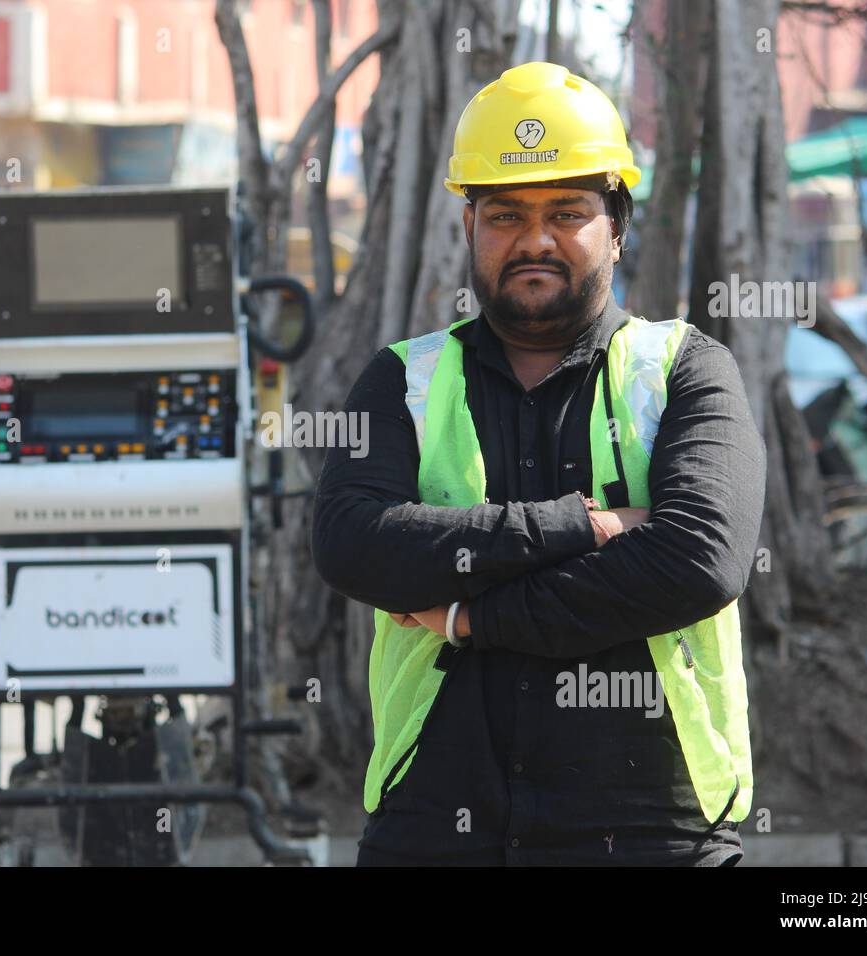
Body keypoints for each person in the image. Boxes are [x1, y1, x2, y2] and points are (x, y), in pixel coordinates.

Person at [312, 62, 766, 866]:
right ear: (469, 227)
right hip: (436, 824)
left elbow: (697, 561)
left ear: (617, 226)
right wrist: (582, 525)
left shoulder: (686, 371)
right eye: (506, 214)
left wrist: (471, 617)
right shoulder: (403, 380)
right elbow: (353, 544)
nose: (534, 239)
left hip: (655, 832)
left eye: (567, 212)